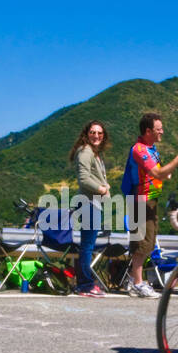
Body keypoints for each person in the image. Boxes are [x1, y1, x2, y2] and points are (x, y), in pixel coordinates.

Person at [123, 112, 178, 298]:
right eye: (158, 129)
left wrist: (170, 167)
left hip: (151, 199)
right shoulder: (140, 150)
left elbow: (163, 174)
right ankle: (137, 283)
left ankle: (133, 280)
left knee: (149, 242)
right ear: (148, 131)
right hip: (140, 200)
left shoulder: (152, 149)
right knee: (141, 243)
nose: (162, 132)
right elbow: (158, 173)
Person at [70, 121, 109, 297]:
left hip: (93, 203)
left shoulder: (93, 152)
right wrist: (101, 189)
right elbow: (83, 179)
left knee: (88, 245)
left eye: (99, 133)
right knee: (87, 246)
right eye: (93, 132)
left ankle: (84, 283)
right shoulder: (85, 151)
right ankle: (85, 285)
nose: (96, 135)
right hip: (88, 203)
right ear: (87, 134)